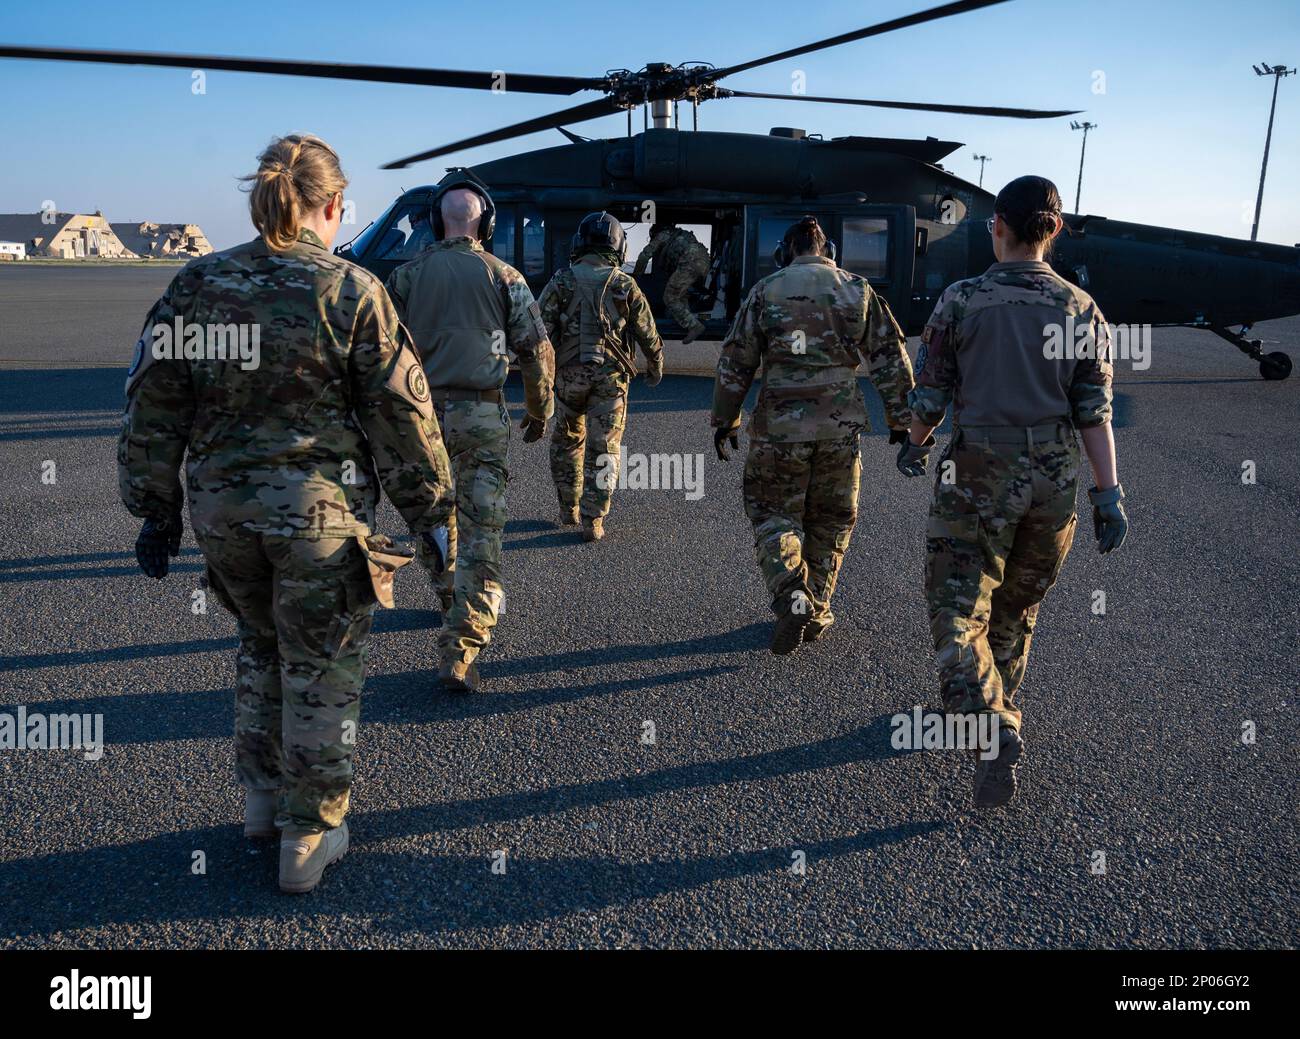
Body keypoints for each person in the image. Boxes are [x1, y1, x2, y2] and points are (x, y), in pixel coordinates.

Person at [119, 133, 454, 893]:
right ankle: (310, 834)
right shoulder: (352, 290)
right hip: (318, 518)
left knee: (260, 646)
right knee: (322, 665)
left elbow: (153, 404)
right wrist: (434, 516)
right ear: (333, 205)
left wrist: (153, 508)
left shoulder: (197, 284)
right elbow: (405, 417)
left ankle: (263, 801)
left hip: (223, 515)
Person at [900, 174, 1129, 809]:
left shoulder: (962, 299)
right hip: (1053, 484)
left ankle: (989, 723)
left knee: (955, 608)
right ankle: (994, 708)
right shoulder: (1082, 309)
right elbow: (1094, 411)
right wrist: (1107, 494)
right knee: (1014, 609)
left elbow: (930, 395)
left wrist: (915, 444)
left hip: (978, 472)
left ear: (995, 225)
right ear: (1053, 231)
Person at [712, 216, 915, 654]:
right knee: (832, 520)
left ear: (785, 252)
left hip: (779, 429)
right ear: (831, 251)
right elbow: (890, 357)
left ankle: (791, 594)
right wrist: (902, 421)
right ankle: (816, 605)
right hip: (840, 430)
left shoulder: (765, 291)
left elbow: (736, 362)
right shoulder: (858, 289)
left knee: (772, 513)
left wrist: (725, 420)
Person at [385, 174, 554, 693]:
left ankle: (445, 592)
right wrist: (539, 409)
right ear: (487, 222)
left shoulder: (407, 278)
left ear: (437, 220)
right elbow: (536, 350)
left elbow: (381, 353)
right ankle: (461, 646)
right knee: (482, 529)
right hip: (481, 417)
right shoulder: (505, 276)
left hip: (421, 419)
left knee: (435, 517)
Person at [538, 212, 664, 542]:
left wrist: (538, 377)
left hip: (568, 378)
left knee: (567, 441)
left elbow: (539, 334)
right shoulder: (625, 284)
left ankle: (568, 508)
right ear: (619, 247)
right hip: (611, 380)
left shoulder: (560, 281)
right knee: (605, 446)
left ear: (580, 243)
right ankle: (593, 519)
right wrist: (656, 364)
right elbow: (647, 332)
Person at [632, 222, 711, 344]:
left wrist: (635, 278)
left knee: (670, 297)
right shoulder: (681, 236)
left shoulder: (662, 236)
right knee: (680, 294)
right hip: (703, 260)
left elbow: (644, 257)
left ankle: (694, 325)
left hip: (690, 260)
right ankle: (682, 321)